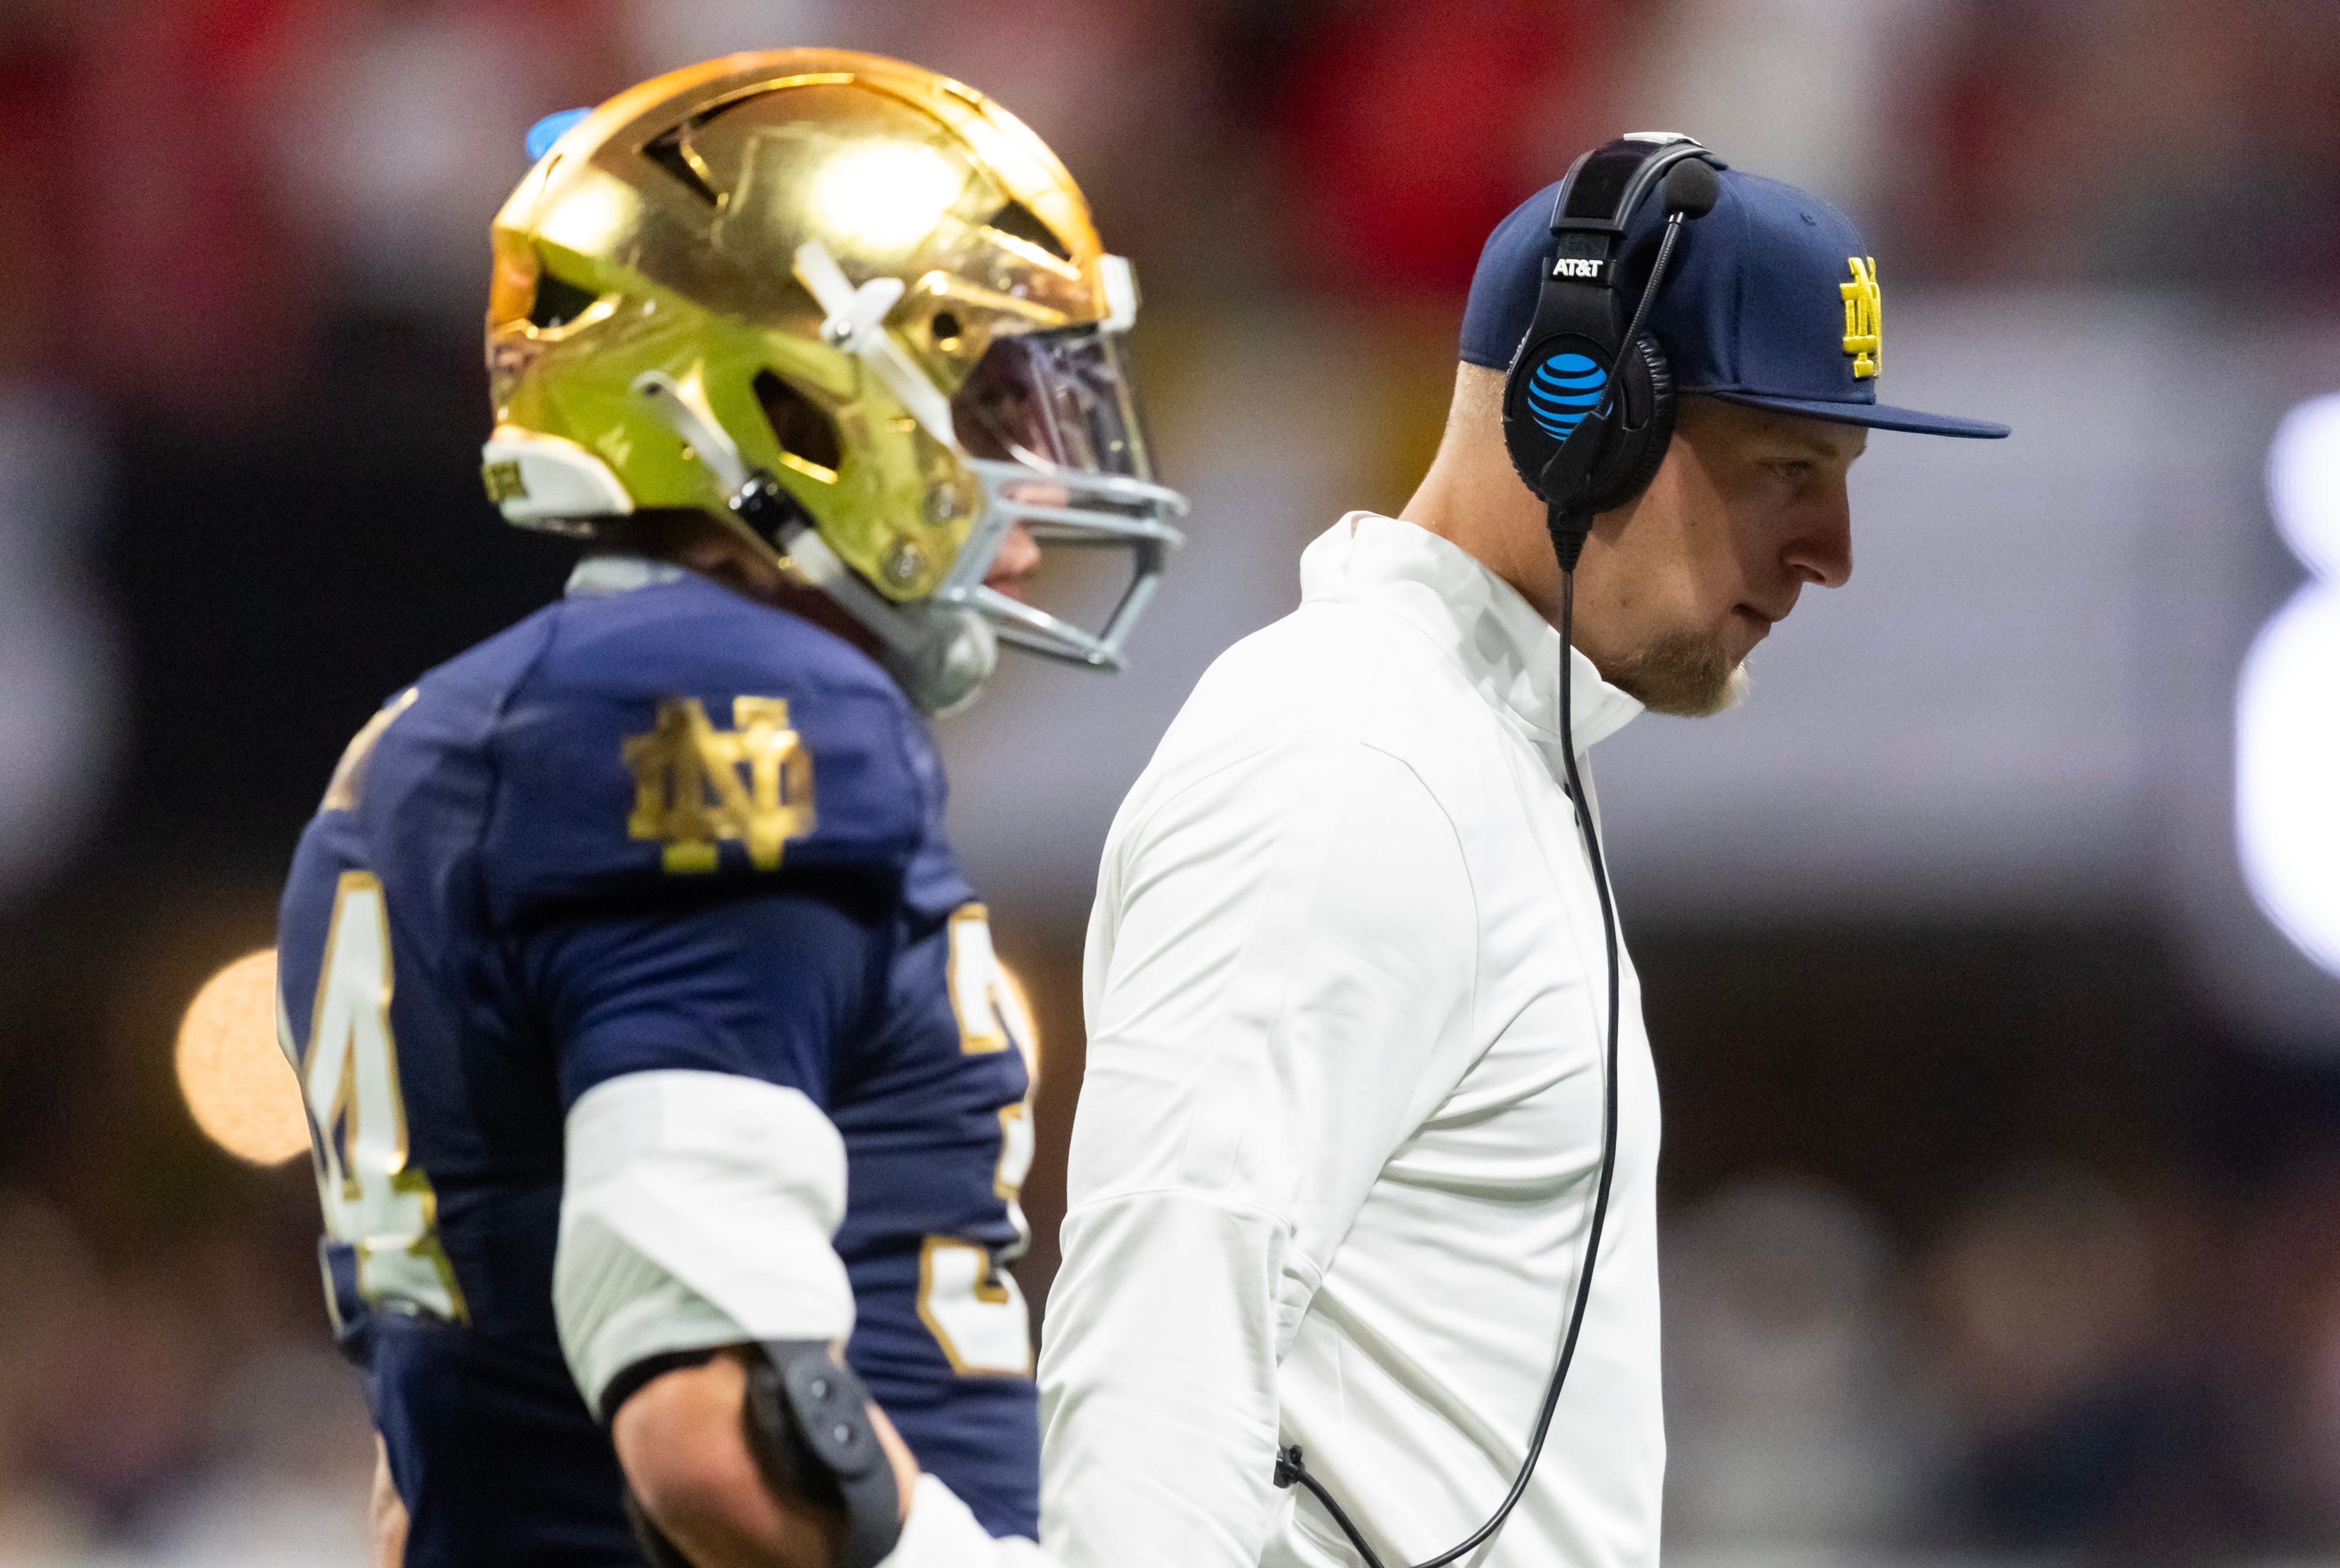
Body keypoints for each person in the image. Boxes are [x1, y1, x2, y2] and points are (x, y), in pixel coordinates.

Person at [1036, 138, 2007, 1568]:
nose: (1830, 549)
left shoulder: (1475, 742)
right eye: (1786, 469)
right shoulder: (1352, 761)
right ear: (1581, 413)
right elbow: (1155, 1363)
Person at [275, 50, 1184, 1568]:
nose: (1028, 494)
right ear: (794, 396)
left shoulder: (429, 743)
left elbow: (418, 1484)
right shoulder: (732, 699)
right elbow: (717, 1429)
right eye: (981, 404)